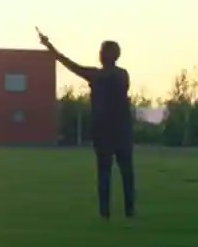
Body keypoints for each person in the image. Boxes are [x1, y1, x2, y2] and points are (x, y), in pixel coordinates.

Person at [37, 31, 136, 220]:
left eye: (102, 51)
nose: (99, 54)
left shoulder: (98, 76)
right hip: (122, 130)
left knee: (104, 173)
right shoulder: (122, 75)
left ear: (107, 55)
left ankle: (105, 212)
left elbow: (70, 65)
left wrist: (50, 47)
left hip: (103, 131)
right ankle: (129, 211)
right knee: (126, 172)